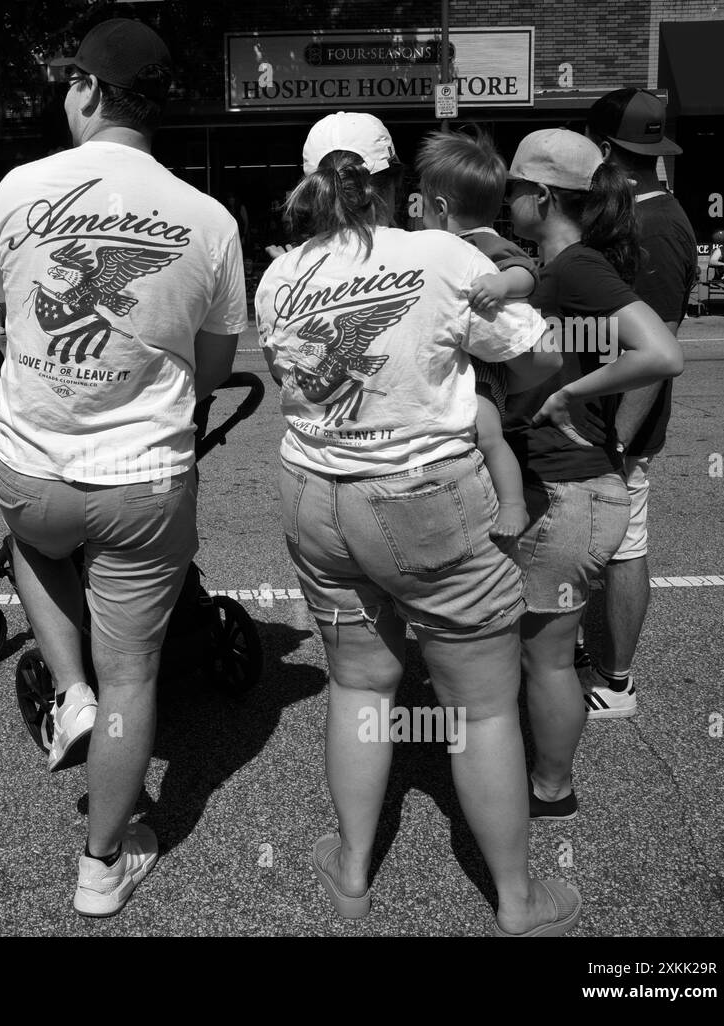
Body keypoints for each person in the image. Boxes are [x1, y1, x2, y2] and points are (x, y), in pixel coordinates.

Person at [256, 111, 574, 936]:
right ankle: (516, 900)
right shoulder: (440, 253)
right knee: (481, 709)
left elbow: (290, 376)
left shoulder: (280, 275)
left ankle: (354, 869)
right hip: (420, 494)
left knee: (359, 682)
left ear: (311, 182)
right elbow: (536, 355)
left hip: (314, 494)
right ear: (397, 183)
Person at [0, 18, 246, 917]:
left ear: (91, 92)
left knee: (32, 548)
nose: (65, 97)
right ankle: (102, 864)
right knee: (135, 669)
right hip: (141, 483)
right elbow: (212, 371)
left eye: (68, 85)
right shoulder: (210, 220)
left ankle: (69, 693)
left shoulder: (19, 189)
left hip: (32, 476)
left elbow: (2, 319)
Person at [504, 129, 684, 824]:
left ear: (543, 196)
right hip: (568, 487)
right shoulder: (563, 265)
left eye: (515, 189)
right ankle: (536, 776)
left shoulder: (575, 267)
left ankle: (549, 789)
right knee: (539, 650)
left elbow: (662, 351)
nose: (506, 200)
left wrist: (570, 398)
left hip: (571, 493)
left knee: (546, 658)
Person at [583, 88, 699, 719]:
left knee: (625, 543)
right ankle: (586, 658)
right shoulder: (638, 210)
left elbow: (655, 351)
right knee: (596, 540)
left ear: (605, 150)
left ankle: (617, 682)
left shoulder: (652, 224)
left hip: (621, 428)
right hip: (599, 418)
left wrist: (617, 443)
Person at [416, 130, 538, 538]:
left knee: (488, 434)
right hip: (460, 360)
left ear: (440, 207)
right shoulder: (441, 246)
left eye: (421, 205)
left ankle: (513, 505)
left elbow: (526, 270)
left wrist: (502, 285)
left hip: (485, 369)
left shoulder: (486, 244)